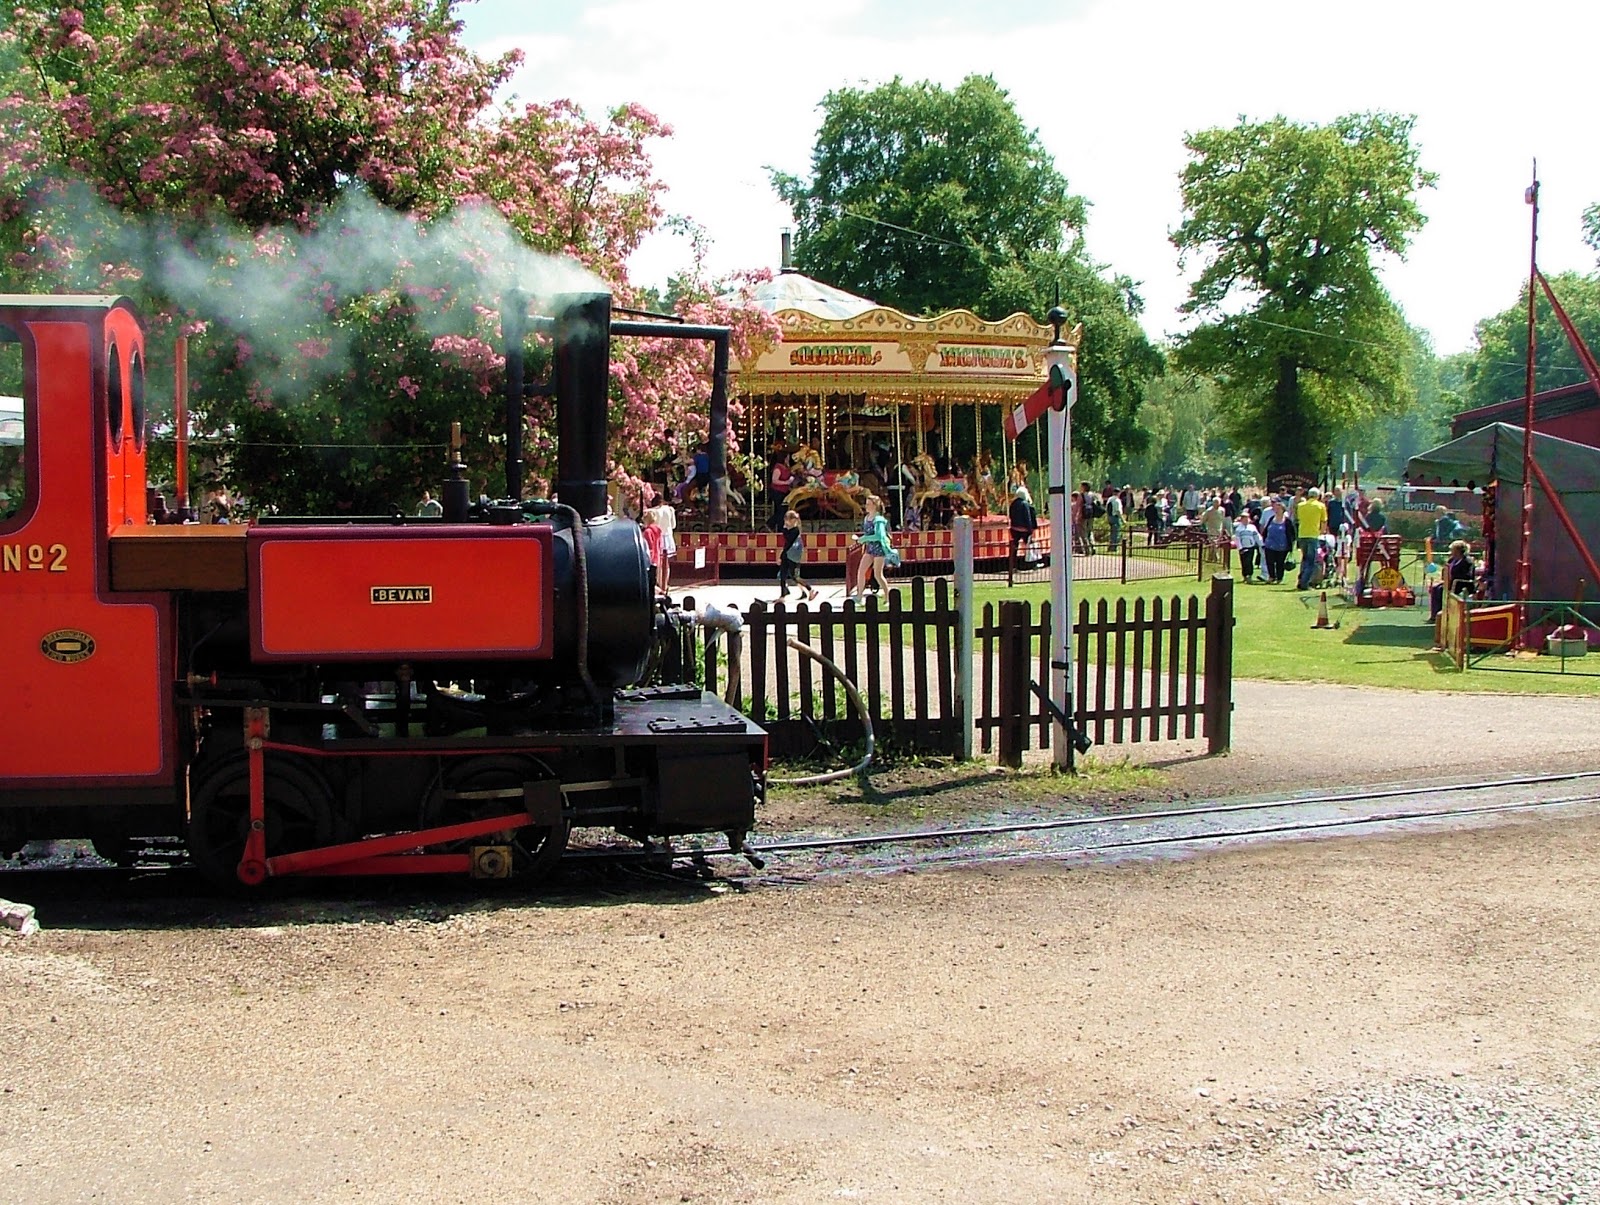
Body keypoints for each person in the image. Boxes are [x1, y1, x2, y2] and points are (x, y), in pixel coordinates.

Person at [849, 493, 893, 602]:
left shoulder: (878, 519)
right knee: (861, 571)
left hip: (879, 549)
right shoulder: (867, 518)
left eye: (868, 504)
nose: (866, 506)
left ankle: (888, 598)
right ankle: (859, 596)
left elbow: (878, 536)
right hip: (869, 549)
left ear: (875, 506)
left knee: (878, 574)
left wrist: (864, 539)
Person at [1429, 539, 1477, 622]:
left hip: (1461, 584)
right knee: (1435, 588)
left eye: (1452, 550)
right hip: (1450, 583)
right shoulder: (1451, 560)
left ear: (1458, 551)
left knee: (1441, 590)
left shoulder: (1467, 561)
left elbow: (1468, 576)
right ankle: (1435, 615)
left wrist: (1453, 577)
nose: (1450, 552)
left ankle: (1443, 613)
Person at [778, 509, 819, 602]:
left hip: (792, 556)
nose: (786, 522)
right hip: (787, 554)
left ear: (792, 520)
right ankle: (782, 595)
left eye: (787, 520)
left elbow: (788, 542)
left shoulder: (795, 530)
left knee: (795, 576)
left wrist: (781, 555)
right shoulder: (790, 530)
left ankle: (810, 589)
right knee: (783, 575)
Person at [1295, 486, 1328, 590]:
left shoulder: (1300, 505)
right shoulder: (1321, 506)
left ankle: (1301, 580)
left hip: (1302, 534)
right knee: (1311, 561)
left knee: (1304, 559)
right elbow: (1324, 521)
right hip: (1313, 535)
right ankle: (1304, 583)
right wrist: (1322, 532)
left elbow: (1299, 518)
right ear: (1318, 496)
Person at [645, 492, 677, 595]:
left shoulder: (653, 511)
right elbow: (673, 525)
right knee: (666, 563)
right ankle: (665, 583)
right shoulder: (670, 509)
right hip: (668, 535)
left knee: (658, 562)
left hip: (659, 535)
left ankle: (660, 584)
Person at [1262, 500, 1292, 584]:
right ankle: (1271, 577)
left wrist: (1290, 545)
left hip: (1282, 546)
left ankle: (1279, 578)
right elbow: (1266, 530)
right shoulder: (1272, 519)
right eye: (1276, 508)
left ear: (1283, 510)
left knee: (1280, 563)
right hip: (1270, 544)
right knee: (1270, 561)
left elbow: (1292, 533)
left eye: (1279, 509)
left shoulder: (1287, 521)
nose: (1277, 510)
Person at [1008, 484, 1038, 566]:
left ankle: (1012, 564)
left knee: (1015, 546)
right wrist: (1030, 529)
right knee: (1029, 546)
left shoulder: (1013, 504)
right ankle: (1032, 563)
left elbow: (1011, 515)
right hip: (1024, 529)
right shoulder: (1025, 504)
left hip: (1014, 528)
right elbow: (1027, 517)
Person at [640, 509, 665, 595]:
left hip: (650, 557)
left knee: (650, 578)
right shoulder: (658, 529)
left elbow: (649, 546)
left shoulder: (648, 531)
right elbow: (660, 543)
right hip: (657, 555)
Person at [1233, 512, 1263, 582]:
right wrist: (1240, 548)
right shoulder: (1239, 529)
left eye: (1247, 518)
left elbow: (1256, 536)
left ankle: (1249, 575)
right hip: (1243, 547)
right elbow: (1237, 539)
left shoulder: (1252, 527)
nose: (1246, 520)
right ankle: (1244, 575)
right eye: (1244, 518)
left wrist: (1261, 544)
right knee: (1244, 562)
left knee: (1249, 561)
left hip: (1251, 547)